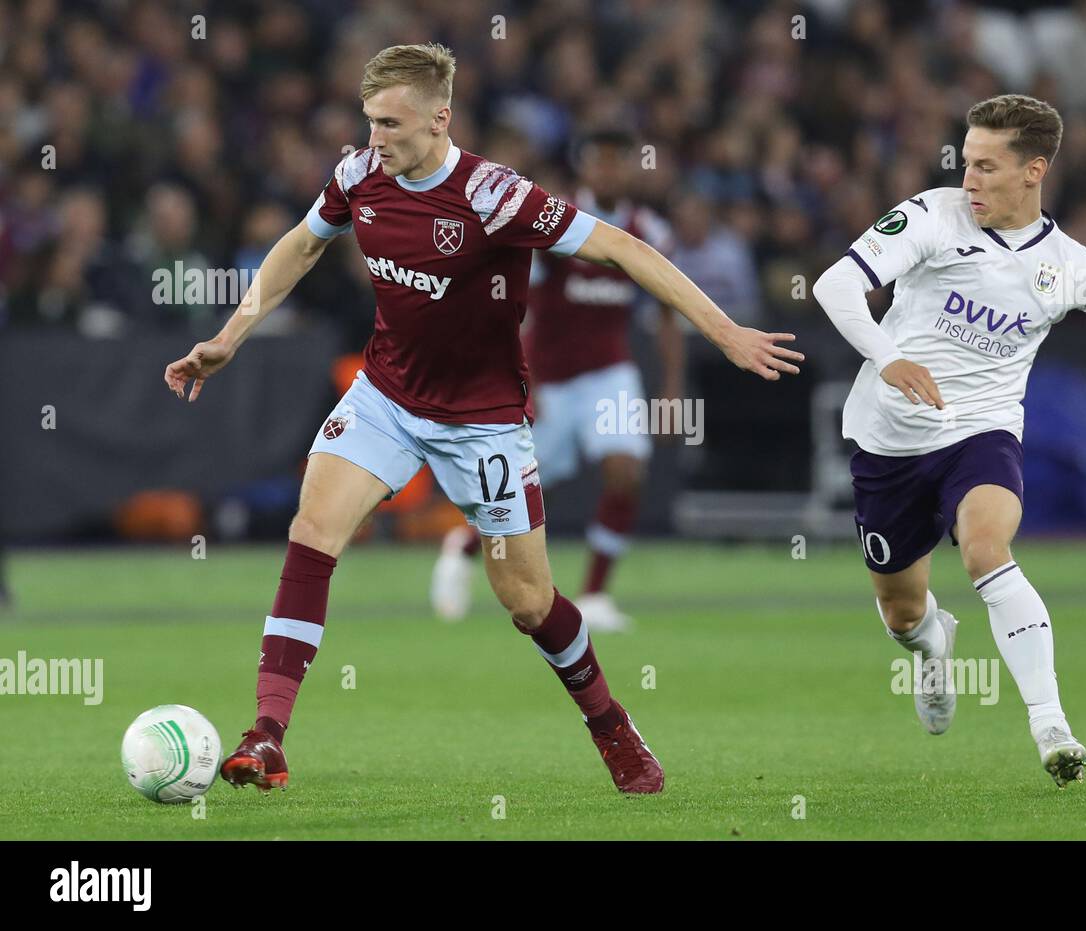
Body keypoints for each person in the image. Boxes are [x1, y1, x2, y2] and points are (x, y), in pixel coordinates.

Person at [163, 43, 802, 796]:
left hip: (484, 423)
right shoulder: (359, 176)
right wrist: (231, 335)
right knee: (313, 531)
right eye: (369, 121)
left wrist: (722, 329)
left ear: (440, 119)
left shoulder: (495, 195)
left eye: (391, 124)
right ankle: (267, 734)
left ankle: (611, 725)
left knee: (528, 603)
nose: (375, 140)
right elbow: (301, 245)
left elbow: (623, 249)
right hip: (387, 397)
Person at [812, 94, 1086, 787]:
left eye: (987, 167)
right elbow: (835, 285)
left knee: (987, 548)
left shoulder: (1072, 265)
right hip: (891, 439)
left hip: (984, 429)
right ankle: (933, 649)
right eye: (966, 162)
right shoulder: (932, 216)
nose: (969, 180)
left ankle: (1051, 724)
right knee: (903, 613)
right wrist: (888, 356)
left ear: (1034, 171)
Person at [432, 130, 683, 631]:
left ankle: (594, 594)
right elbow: (522, 310)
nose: (608, 172)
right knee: (518, 488)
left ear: (630, 168)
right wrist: (527, 379)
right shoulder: (558, 224)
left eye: (617, 163)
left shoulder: (648, 229)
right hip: (550, 376)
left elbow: (667, 312)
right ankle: (460, 548)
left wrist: (672, 387)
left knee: (626, 470)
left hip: (609, 373)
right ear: (585, 168)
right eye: (599, 162)